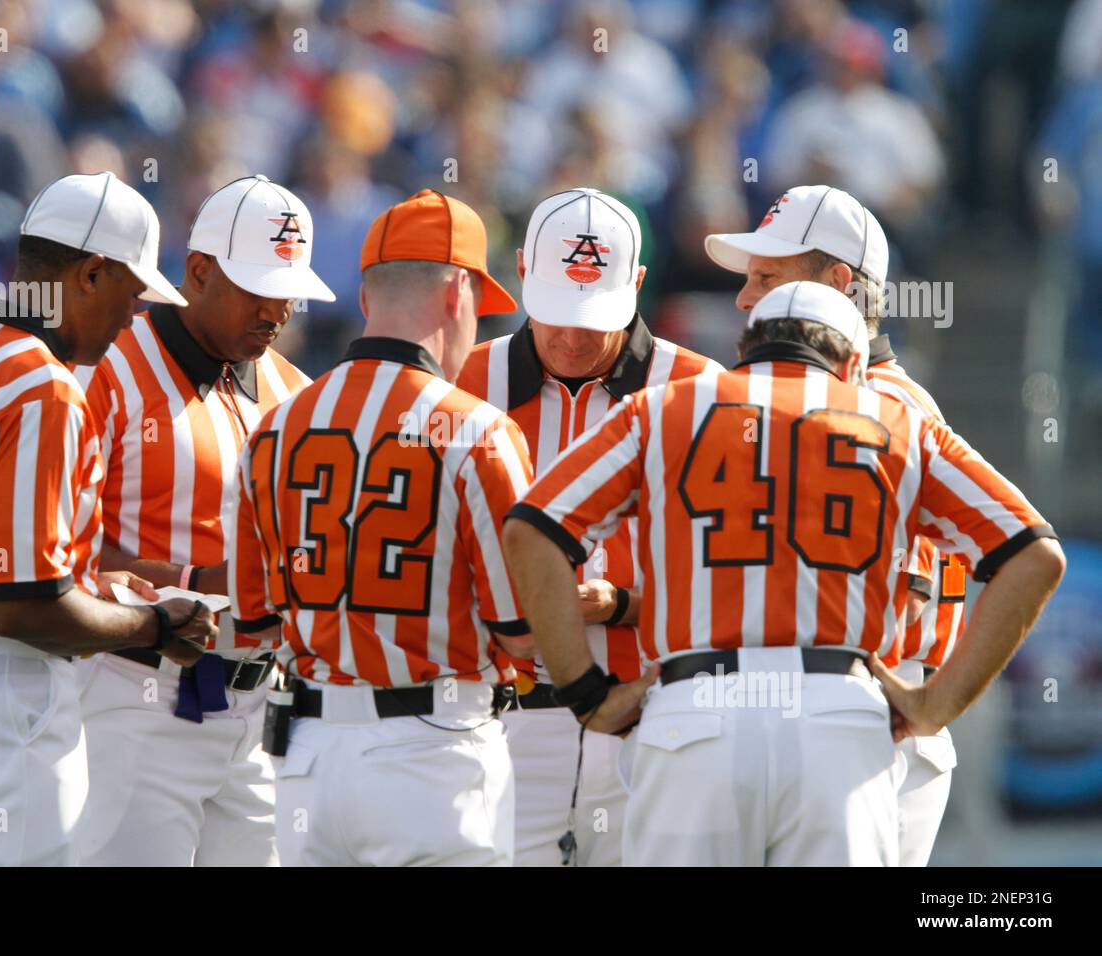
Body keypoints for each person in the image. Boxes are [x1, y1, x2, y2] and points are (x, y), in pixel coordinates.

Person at [503, 280, 1065, 866]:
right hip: (837, 720)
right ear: (851, 362)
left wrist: (586, 692)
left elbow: (534, 529)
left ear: (746, 350)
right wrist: (936, 704)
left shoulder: (665, 408)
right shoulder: (899, 422)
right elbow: (1034, 554)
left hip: (695, 713)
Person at [0, 171, 217, 866]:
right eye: (130, 291)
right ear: (90, 274)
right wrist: (158, 625)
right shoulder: (43, 383)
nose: (134, 316)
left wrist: (107, 592)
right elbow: (25, 606)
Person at [229, 189, 533, 866]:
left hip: (308, 759)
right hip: (434, 755)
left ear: (367, 299)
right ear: (458, 293)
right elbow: (522, 629)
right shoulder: (478, 431)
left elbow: (252, 621)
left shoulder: (273, 426)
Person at [455, 186, 721, 866]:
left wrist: (627, 603)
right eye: (555, 313)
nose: (571, 337)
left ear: (637, 284)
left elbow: (738, 572)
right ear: (521, 272)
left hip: (650, 709)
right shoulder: (462, 379)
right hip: (501, 708)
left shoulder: (701, 390)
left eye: (593, 317)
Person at [73, 175, 329, 866]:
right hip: (135, 694)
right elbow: (59, 547)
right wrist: (196, 581)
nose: (277, 309)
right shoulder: (108, 370)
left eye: (289, 290)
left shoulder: (293, 390)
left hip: (259, 706)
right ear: (198, 271)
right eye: (258, 287)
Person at [705, 183, 963, 865]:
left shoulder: (879, 406)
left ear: (837, 283)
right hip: (827, 725)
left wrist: (929, 703)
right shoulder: (834, 398)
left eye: (766, 277)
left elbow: (1010, 554)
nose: (743, 297)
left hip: (875, 725)